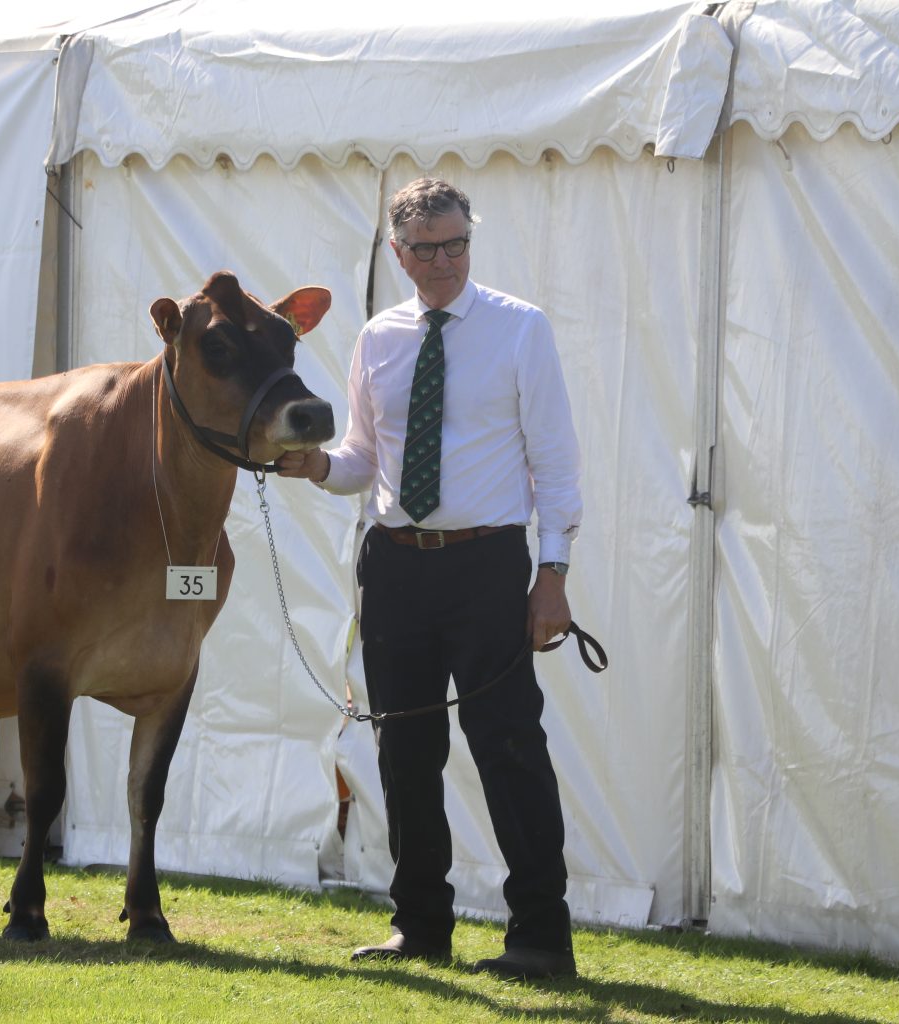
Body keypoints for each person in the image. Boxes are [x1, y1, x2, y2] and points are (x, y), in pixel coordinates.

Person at [278, 178, 582, 981]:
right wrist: (316, 466)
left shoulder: (521, 329)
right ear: (397, 251)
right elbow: (364, 462)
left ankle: (542, 939)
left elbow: (555, 466)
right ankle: (420, 928)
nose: (443, 261)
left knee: (509, 746)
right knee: (403, 750)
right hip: (395, 565)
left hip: (488, 566)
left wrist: (552, 575)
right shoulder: (378, 337)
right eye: (426, 248)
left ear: (469, 240)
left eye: (456, 244)